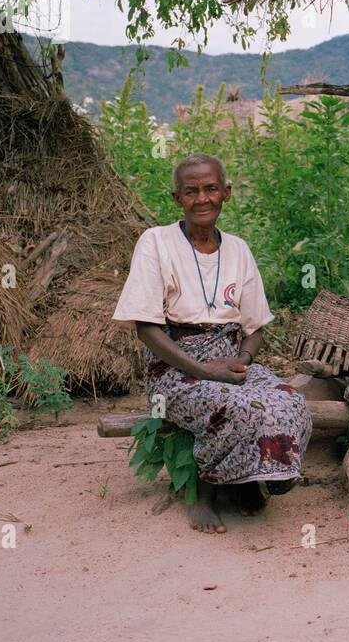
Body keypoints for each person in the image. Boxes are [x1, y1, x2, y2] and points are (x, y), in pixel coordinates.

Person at [112, 152, 311, 533]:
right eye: (191, 191)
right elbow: (146, 329)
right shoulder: (156, 242)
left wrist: (243, 361)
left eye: (210, 189)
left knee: (289, 400)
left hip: (232, 361)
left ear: (226, 194)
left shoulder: (238, 249)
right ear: (176, 199)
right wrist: (205, 370)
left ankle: (250, 481)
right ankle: (203, 494)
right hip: (174, 367)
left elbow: (255, 326)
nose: (202, 198)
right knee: (235, 407)